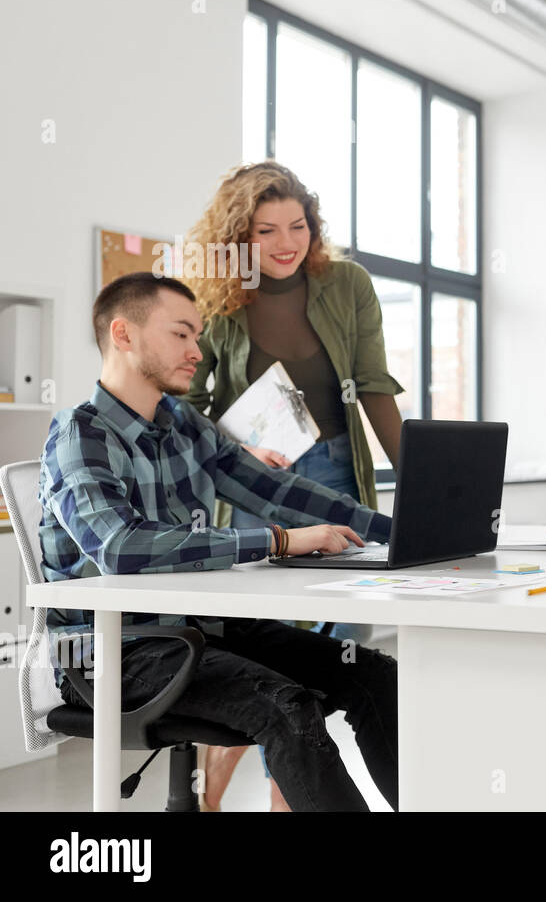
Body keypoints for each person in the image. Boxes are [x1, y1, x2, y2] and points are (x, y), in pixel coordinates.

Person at [38, 273, 398, 812]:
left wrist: (401, 533)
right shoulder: (80, 436)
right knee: (285, 706)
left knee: (372, 674)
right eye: (181, 334)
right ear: (124, 334)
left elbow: (279, 491)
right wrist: (275, 541)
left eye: (198, 336)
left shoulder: (184, 423)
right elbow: (120, 547)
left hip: (202, 630)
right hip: (115, 651)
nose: (196, 352)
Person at [181, 161, 405, 808]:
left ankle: (290, 804)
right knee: (265, 654)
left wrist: (418, 489)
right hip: (256, 487)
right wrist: (237, 445)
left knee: (335, 652)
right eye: (265, 230)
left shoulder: (346, 285)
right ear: (236, 238)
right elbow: (186, 406)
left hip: (335, 473)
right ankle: (207, 798)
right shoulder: (214, 302)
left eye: (298, 225)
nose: (286, 242)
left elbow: (374, 387)